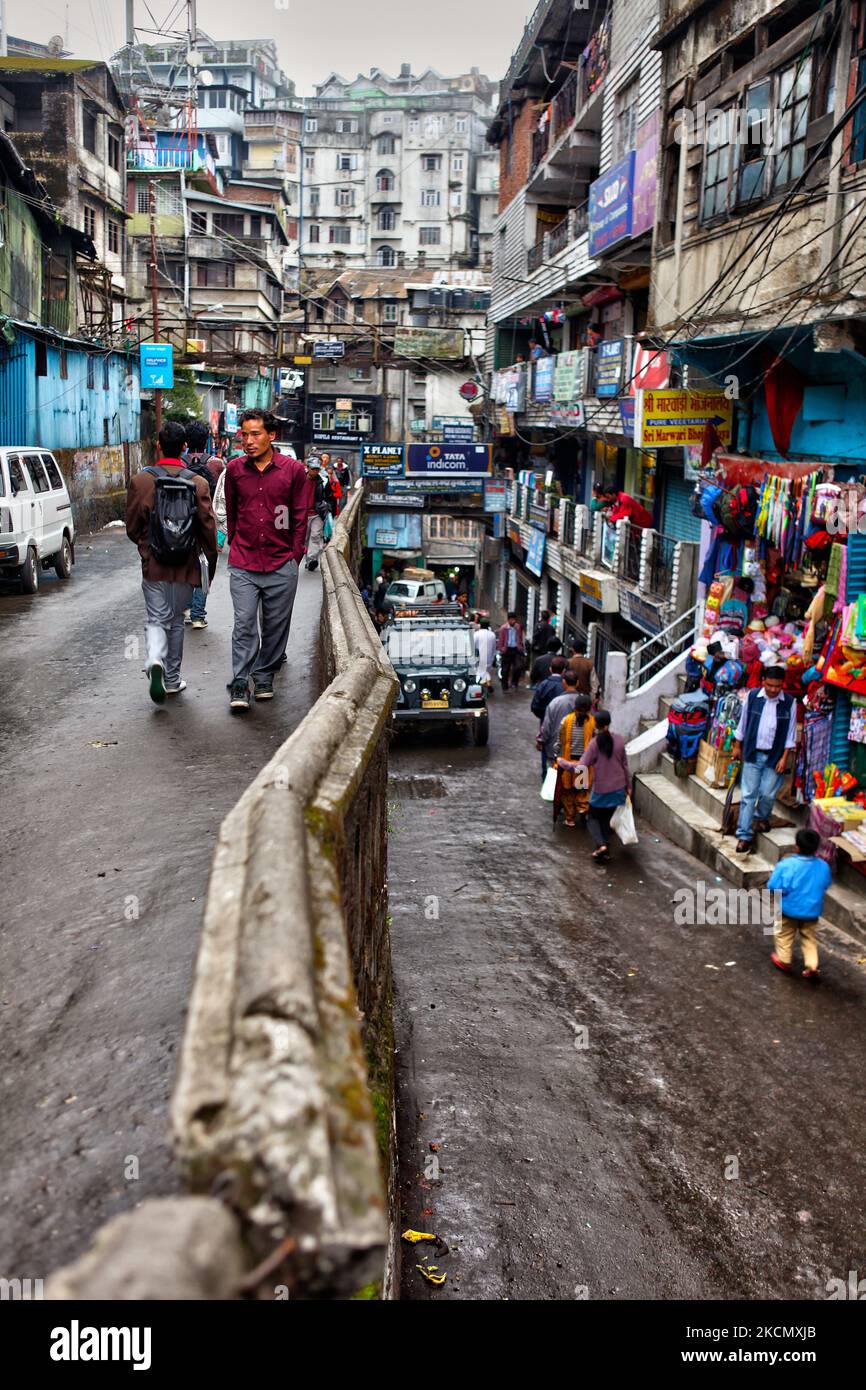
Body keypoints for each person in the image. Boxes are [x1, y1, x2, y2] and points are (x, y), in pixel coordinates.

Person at [125, 420, 217, 704]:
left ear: (158, 445)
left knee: (157, 617)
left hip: (153, 563)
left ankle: (155, 659)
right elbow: (207, 527)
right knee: (176, 620)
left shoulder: (141, 480)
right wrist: (209, 563)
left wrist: (146, 547)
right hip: (186, 564)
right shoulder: (197, 482)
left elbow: (131, 526)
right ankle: (173, 680)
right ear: (185, 447)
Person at [224, 408, 307, 712]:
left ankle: (263, 676)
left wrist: (294, 555)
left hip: (280, 561)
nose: (248, 440)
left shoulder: (293, 471)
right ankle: (239, 681)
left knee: (275, 626)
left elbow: (300, 515)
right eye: (244, 434)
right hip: (244, 560)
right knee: (244, 623)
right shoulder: (234, 470)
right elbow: (233, 511)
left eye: (255, 434)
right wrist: (235, 541)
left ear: (272, 436)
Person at [731, 666, 797, 853]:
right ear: (763, 682)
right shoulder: (752, 697)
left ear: (782, 685)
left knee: (768, 794)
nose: (773, 690)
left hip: (774, 756)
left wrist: (784, 758)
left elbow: (790, 734)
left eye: (777, 686)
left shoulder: (790, 703)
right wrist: (737, 746)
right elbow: (742, 724)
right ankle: (744, 835)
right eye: (770, 685)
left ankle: (761, 818)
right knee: (748, 796)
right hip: (752, 753)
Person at [767, 828, 831, 981]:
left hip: (788, 909)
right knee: (809, 938)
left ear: (797, 847)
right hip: (812, 911)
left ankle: (784, 960)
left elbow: (774, 886)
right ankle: (812, 965)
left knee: (783, 934)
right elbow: (826, 884)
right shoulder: (823, 866)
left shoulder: (787, 865)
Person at [182, 420, 225, 629]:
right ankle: (198, 614)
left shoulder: (180, 463)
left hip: (182, 523)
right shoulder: (217, 464)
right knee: (206, 565)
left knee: (186, 564)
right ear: (206, 439)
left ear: (186, 441)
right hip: (209, 522)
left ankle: (187, 608)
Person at [579, 710, 632, 863]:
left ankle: (602, 845)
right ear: (608, 723)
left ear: (596, 724)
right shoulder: (619, 740)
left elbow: (582, 765)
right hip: (618, 789)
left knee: (592, 818)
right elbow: (625, 766)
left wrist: (563, 763)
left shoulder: (594, 743)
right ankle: (605, 851)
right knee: (606, 820)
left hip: (601, 790)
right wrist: (628, 787)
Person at [555, 695, 596, 827]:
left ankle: (570, 818)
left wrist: (556, 756)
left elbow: (559, 741)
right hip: (583, 764)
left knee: (568, 791)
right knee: (581, 790)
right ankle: (583, 813)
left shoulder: (566, 720)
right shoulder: (592, 723)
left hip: (568, 763)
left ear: (575, 708)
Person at [538, 666, 580, 782]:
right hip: (579, 752)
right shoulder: (584, 702)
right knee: (578, 784)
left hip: (557, 750)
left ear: (563, 682)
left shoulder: (555, 703)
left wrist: (542, 741)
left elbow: (546, 727)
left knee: (556, 783)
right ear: (577, 683)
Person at [302, 455, 333, 572]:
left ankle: (311, 560)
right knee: (304, 538)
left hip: (317, 513)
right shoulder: (299, 479)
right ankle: (307, 558)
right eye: (313, 469)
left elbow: (330, 497)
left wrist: (328, 508)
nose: (315, 471)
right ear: (308, 468)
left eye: (317, 469)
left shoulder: (324, 481)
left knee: (315, 536)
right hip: (302, 513)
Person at [531, 654, 567, 722]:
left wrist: (543, 715)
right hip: (561, 720)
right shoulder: (566, 685)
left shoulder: (543, 684)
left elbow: (534, 706)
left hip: (545, 719)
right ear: (564, 671)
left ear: (550, 669)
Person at [497, 611, 526, 691]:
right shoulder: (503, 628)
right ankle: (504, 685)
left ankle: (514, 682)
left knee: (518, 666)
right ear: (508, 620)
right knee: (505, 669)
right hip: (507, 650)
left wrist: (521, 646)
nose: (513, 621)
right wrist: (502, 649)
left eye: (514, 620)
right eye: (511, 620)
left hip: (516, 649)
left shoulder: (518, 627)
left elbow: (520, 637)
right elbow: (500, 640)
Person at [474, 617, 497, 693]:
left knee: (479, 673)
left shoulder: (476, 634)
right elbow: (494, 648)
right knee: (485, 671)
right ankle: (488, 684)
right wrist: (493, 657)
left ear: (480, 625)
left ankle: (480, 686)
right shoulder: (492, 635)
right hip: (489, 658)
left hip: (478, 658)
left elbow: (473, 646)